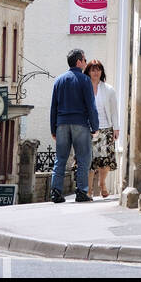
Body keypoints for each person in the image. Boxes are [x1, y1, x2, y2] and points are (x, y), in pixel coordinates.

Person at [49, 48, 99, 203]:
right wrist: (94, 126)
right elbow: (91, 105)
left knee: (61, 158)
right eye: (84, 60)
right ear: (79, 61)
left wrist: (53, 128)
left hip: (62, 124)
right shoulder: (85, 80)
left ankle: (56, 192)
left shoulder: (59, 80)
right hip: (80, 124)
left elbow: (54, 107)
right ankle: (81, 192)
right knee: (84, 158)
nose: (85, 62)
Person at [86, 60, 119, 198]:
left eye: (98, 69)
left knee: (104, 160)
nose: (96, 72)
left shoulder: (109, 89)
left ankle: (102, 184)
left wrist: (116, 128)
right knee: (90, 160)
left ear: (102, 72)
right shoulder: (84, 88)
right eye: (93, 69)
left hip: (106, 128)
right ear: (88, 72)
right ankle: (88, 190)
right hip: (89, 128)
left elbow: (113, 111)